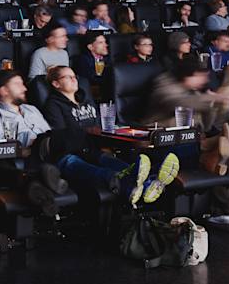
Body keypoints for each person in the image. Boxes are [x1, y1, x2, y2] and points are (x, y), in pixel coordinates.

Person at [42, 66, 177, 204]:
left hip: (92, 150)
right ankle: (133, 186)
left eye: (74, 76)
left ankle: (149, 183)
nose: (74, 79)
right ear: (56, 84)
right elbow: (62, 137)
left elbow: (98, 127)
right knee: (98, 170)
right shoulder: (53, 105)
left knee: (127, 167)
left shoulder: (86, 101)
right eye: (68, 77)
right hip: (68, 155)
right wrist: (89, 132)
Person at [0, 70, 66, 213]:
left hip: (48, 149)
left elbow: (49, 134)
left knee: (69, 137)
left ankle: (37, 180)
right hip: (26, 153)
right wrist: (26, 144)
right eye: (18, 84)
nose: (25, 88)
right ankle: (48, 180)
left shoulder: (31, 109)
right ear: (3, 90)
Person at [141, 59, 229, 176]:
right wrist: (210, 99)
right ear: (188, 75)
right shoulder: (165, 84)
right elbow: (178, 102)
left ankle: (210, 151)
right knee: (185, 132)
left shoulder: (193, 90)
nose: (205, 80)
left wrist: (210, 113)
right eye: (200, 76)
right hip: (157, 134)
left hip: (187, 136)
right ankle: (206, 152)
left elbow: (206, 118)